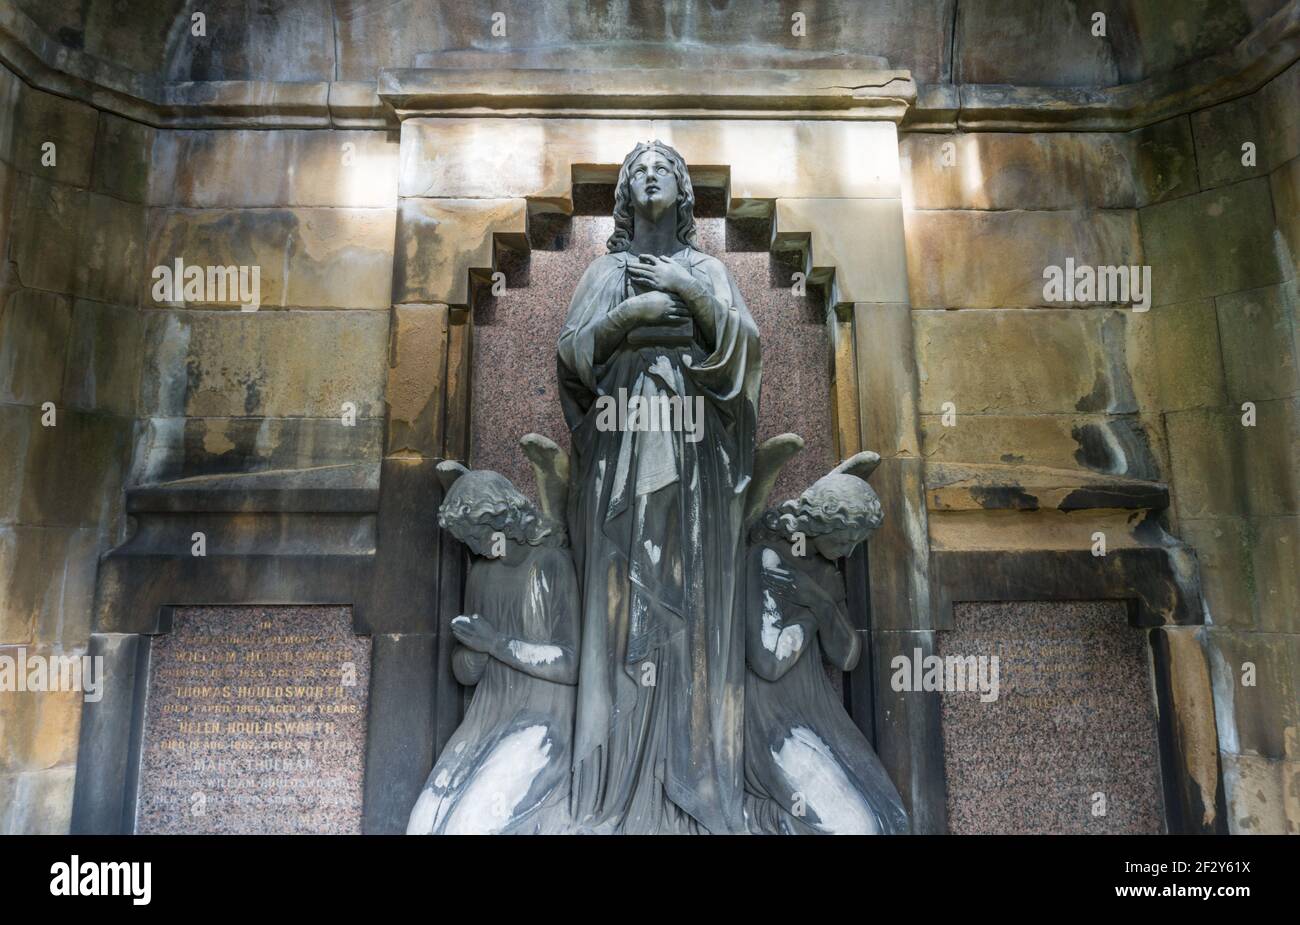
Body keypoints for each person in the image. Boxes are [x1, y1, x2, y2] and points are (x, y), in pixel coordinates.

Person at [558, 141, 761, 834]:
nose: (649, 177)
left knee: (690, 609)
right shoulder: (606, 271)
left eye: (663, 170)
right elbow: (572, 359)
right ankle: (613, 785)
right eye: (637, 170)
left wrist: (687, 293)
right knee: (618, 611)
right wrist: (626, 320)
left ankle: (691, 776)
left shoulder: (707, 269)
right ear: (624, 193)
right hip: (619, 457)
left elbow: (745, 351)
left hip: (694, 462)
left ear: (681, 192)